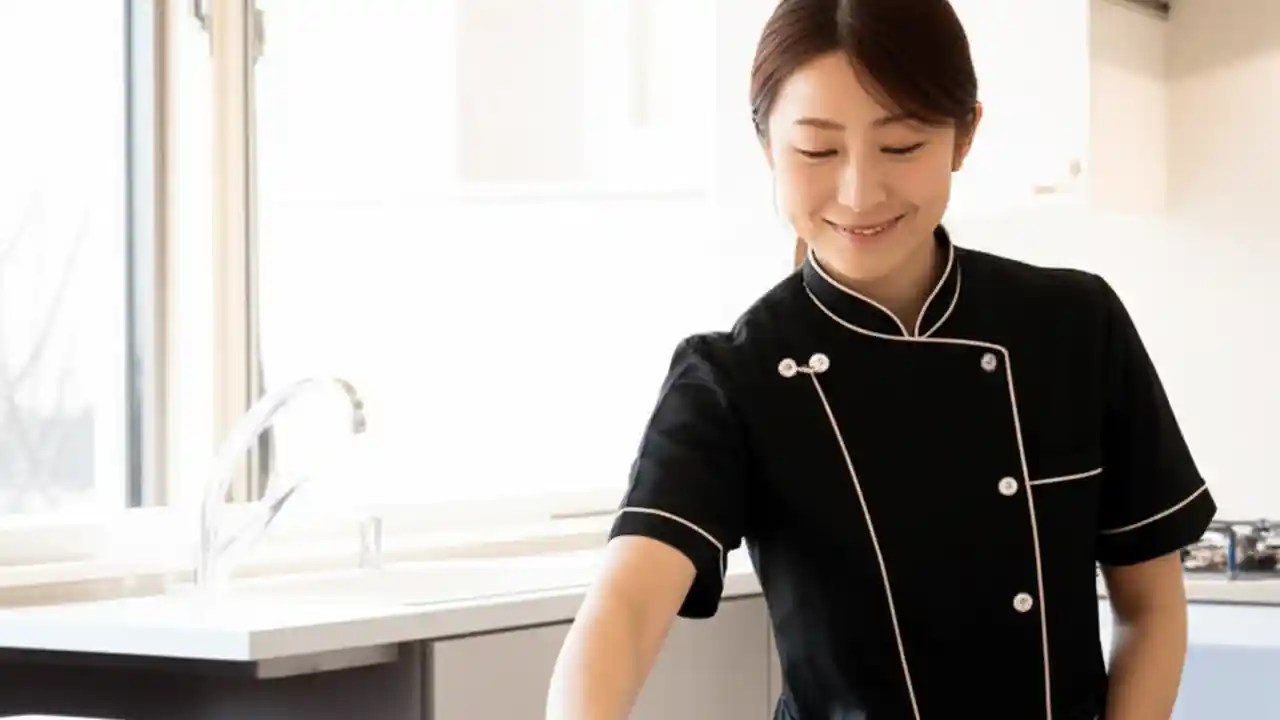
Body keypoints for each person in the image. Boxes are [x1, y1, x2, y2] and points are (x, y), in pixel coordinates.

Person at [545, 0, 1215, 717]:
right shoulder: (734, 379)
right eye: (816, 151)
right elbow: (626, 609)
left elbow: (1150, 611)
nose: (860, 191)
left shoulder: (1075, 327)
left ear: (964, 137)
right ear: (767, 144)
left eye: (900, 147)